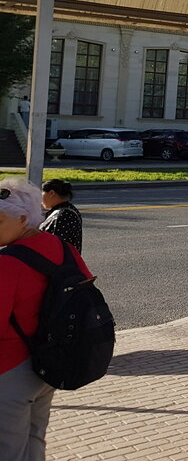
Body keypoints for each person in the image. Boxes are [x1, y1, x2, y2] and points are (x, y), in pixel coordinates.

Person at [0, 177, 92, 461]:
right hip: (49, 364)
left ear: (23, 219)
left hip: (10, 369)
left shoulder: (7, 263)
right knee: (35, 437)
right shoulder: (61, 248)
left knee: (8, 449)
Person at [39, 179, 82, 252]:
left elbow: (57, 247)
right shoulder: (68, 210)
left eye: (41, 194)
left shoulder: (63, 215)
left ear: (51, 193)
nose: (40, 199)